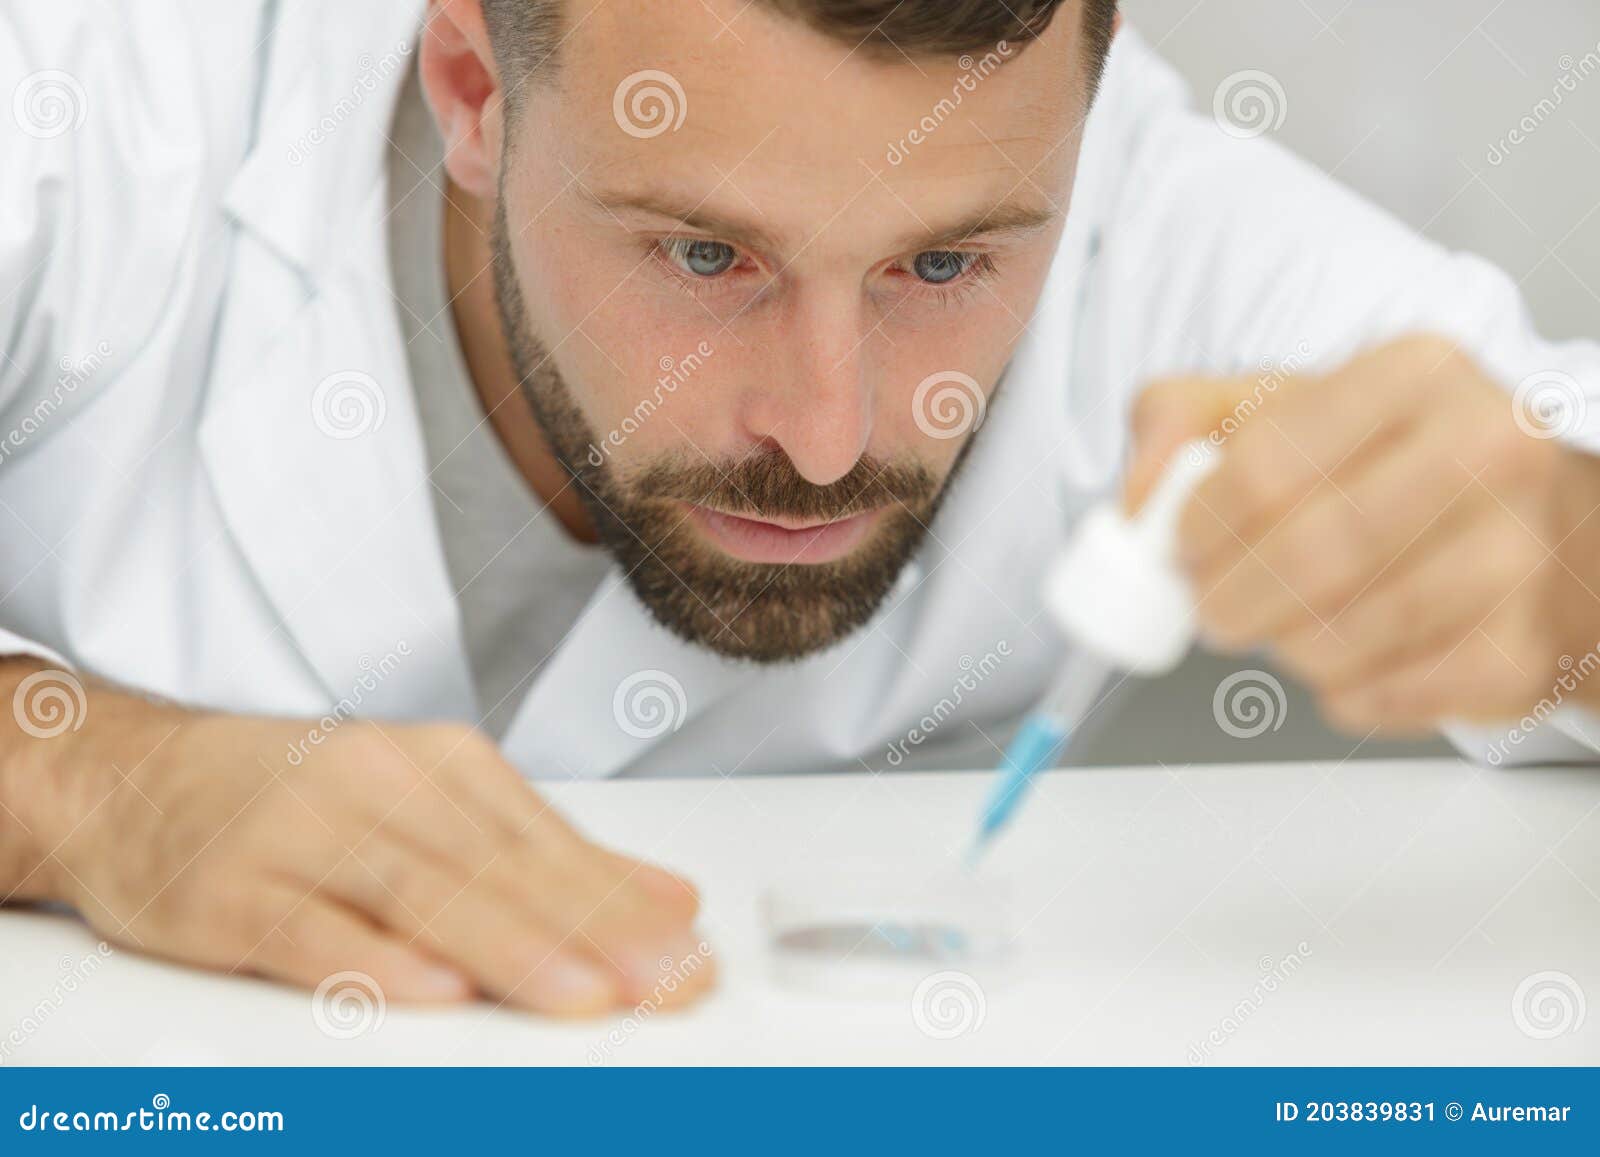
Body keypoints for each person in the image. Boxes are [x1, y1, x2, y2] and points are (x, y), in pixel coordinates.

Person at [1, 0, 1596, 1017]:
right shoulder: (84, 113)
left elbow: (1554, 468)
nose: (829, 441)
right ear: (477, 87)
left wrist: (1558, 577)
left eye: (945, 266)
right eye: (707, 257)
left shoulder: (1146, 213)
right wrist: (88, 785)